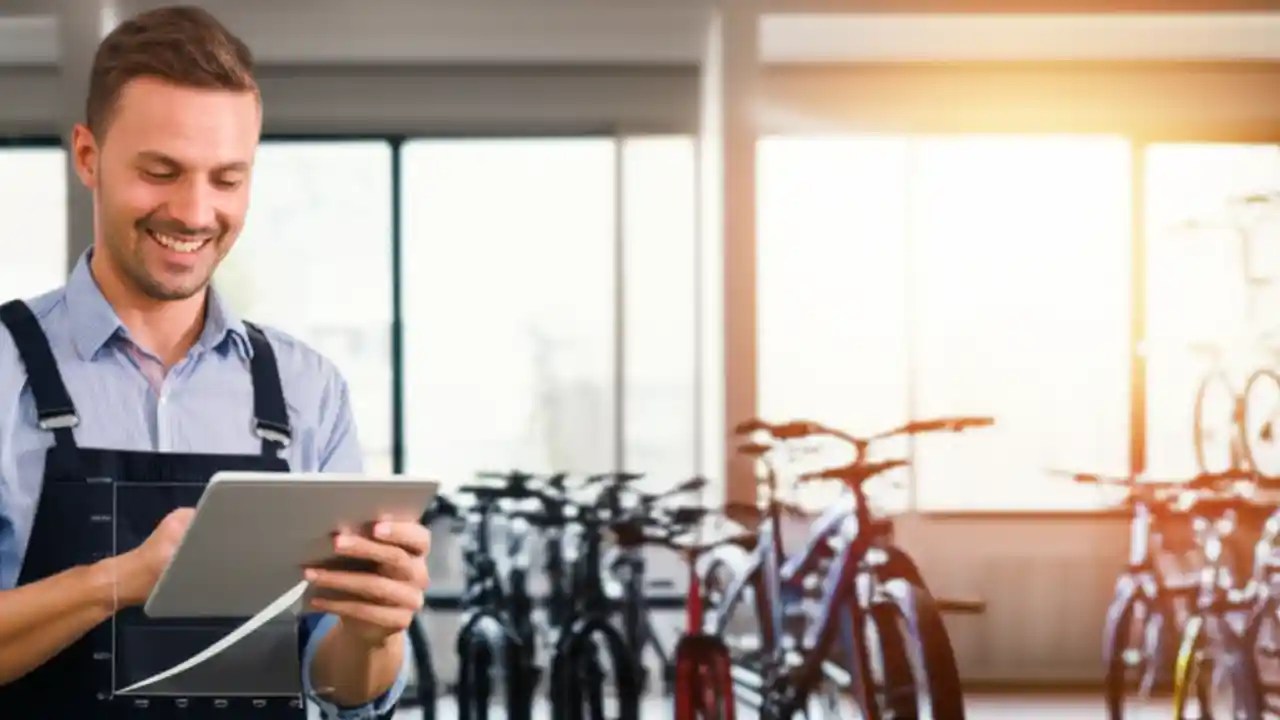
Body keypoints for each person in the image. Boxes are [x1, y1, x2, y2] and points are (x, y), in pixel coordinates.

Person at [0, 5, 429, 718]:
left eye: (227, 179)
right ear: (88, 157)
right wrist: (117, 581)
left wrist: (372, 633)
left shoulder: (308, 390)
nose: (195, 212)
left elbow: (339, 686)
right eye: (160, 171)